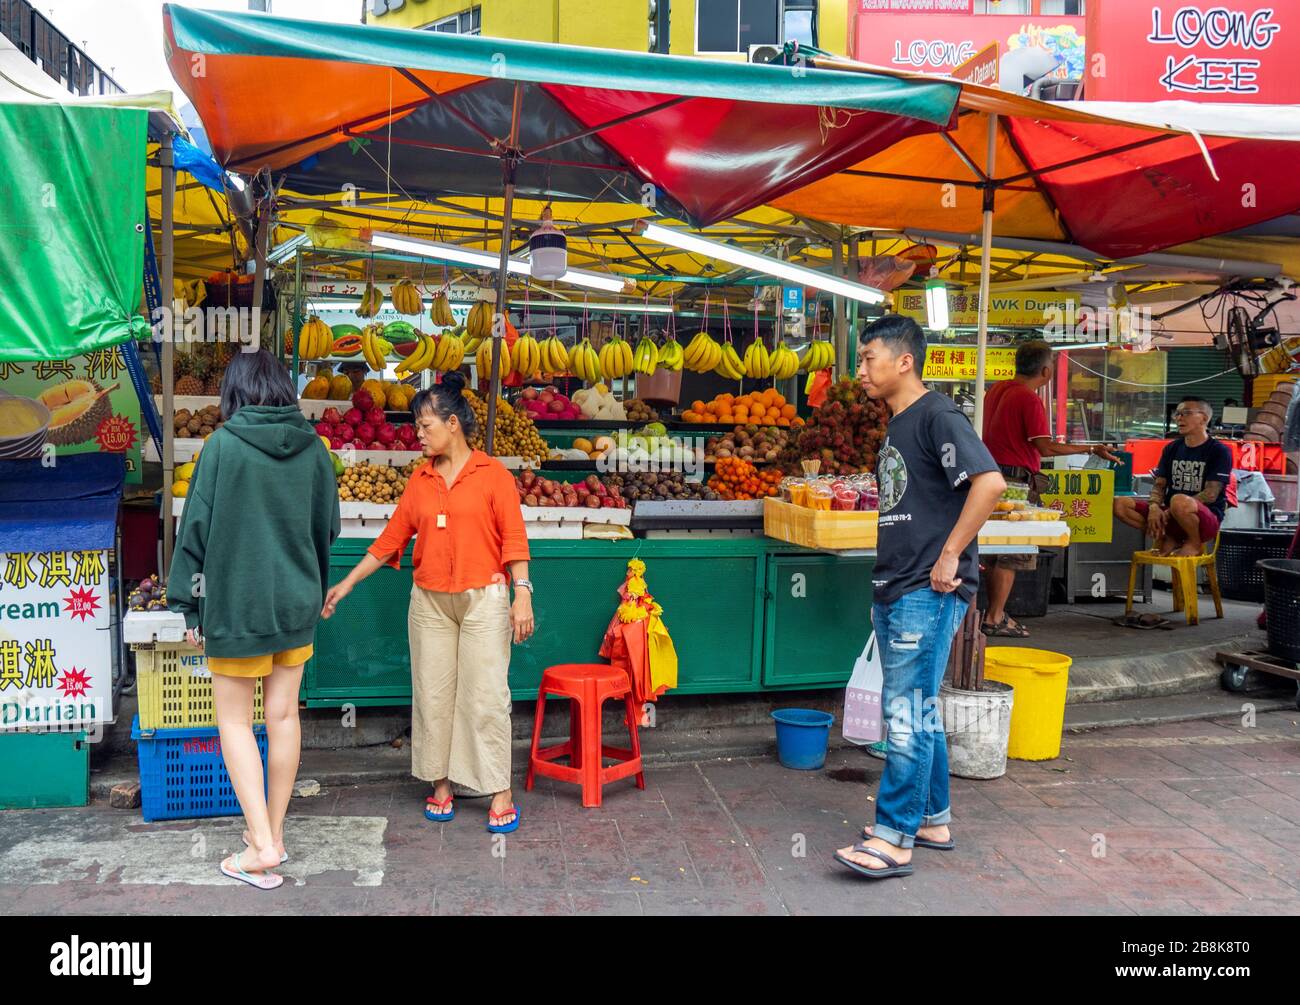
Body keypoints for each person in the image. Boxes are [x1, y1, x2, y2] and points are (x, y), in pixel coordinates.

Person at [322, 371, 533, 832]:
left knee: (486, 697)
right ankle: (442, 784)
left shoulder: (493, 474)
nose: (418, 434)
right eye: (418, 427)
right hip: (431, 603)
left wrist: (522, 595)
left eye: (425, 426)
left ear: (453, 424)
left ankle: (500, 788)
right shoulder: (420, 480)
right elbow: (390, 540)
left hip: (485, 599)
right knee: (433, 696)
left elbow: (514, 541)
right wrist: (348, 583)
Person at [835, 315, 1005, 881]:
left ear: (904, 360)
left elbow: (990, 483)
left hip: (926, 589)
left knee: (905, 715)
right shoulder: (899, 423)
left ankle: (893, 837)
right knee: (919, 710)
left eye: (868, 358)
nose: (860, 370)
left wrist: (953, 553)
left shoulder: (937, 415)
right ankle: (930, 819)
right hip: (899, 585)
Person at [169, 348, 341, 891]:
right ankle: (271, 835)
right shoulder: (314, 449)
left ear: (237, 393)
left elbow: (194, 528)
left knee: (236, 721)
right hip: (295, 602)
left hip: (236, 603)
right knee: (284, 716)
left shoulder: (222, 446)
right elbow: (327, 529)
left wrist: (187, 602)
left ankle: (262, 844)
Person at [980, 340, 1119, 637]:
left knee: (995, 549)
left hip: (992, 478)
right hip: (1015, 483)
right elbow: (1045, 447)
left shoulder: (997, 389)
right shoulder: (1028, 399)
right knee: (1012, 550)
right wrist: (1092, 446)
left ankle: (995, 612)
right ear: (1045, 370)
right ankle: (994, 617)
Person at [1114, 397, 1232, 558]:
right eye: (1177, 414)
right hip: (1173, 515)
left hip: (1204, 520)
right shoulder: (1172, 448)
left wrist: (1170, 511)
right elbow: (1160, 484)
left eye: (1186, 413)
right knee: (1120, 504)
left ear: (1204, 418)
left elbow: (1211, 494)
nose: (1179, 418)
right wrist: (1154, 507)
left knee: (1178, 500)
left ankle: (1194, 543)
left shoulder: (1219, 451)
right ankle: (1167, 537)